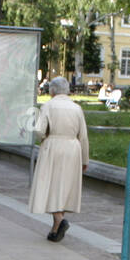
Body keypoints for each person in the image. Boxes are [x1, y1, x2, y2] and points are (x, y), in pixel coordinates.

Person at [29, 76, 89, 241]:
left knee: (51, 184)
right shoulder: (77, 108)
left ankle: (59, 220)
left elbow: (40, 130)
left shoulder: (48, 106)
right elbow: (83, 136)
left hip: (53, 146)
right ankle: (55, 229)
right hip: (73, 148)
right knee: (64, 186)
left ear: (52, 90)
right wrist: (85, 159)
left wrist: (44, 136)